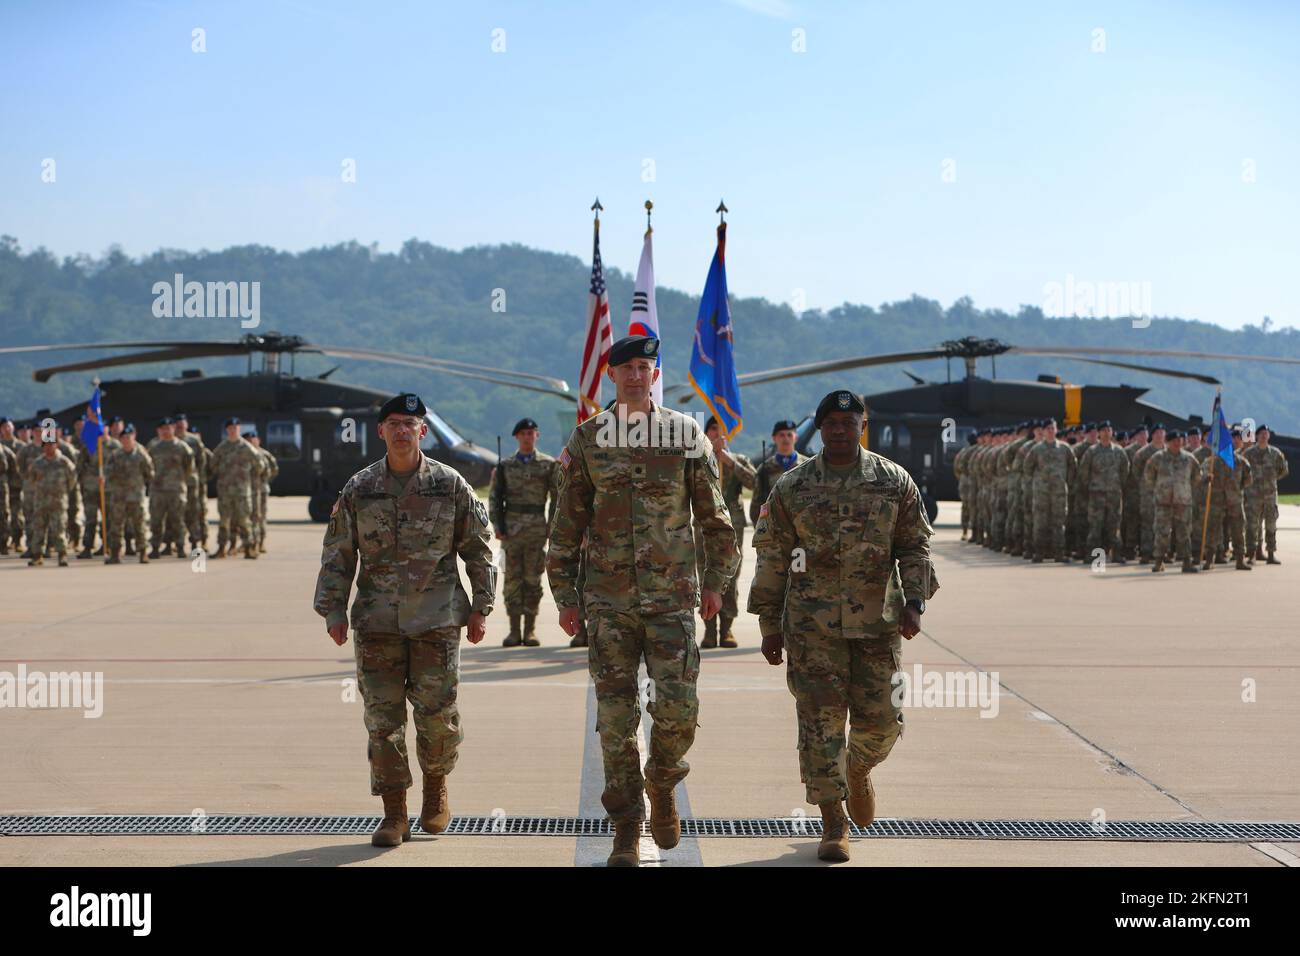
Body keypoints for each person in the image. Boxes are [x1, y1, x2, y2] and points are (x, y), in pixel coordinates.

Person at [546, 335, 739, 867]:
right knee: (615, 720)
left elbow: (717, 521)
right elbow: (566, 526)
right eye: (626, 367)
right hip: (607, 605)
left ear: (657, 373)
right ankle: (627, 826)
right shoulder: (588, 439)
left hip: (673, 600)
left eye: (644, 366)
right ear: (612, 376)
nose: (635, 375)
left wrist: (717, 583)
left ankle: (662, 783)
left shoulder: (685, 434)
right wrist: (565, 595)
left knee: (678, 711)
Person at [749, 389, 938, 863]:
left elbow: (915, 545)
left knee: (883, 723)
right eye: (830, 422)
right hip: (812, 631)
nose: (838, 429)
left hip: (878, 625)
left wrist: (915, 601)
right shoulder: (792, 487)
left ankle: (857, 770)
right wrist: (769, 624)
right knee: (820, 725)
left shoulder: (894, 481)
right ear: (821, 427)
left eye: (847, 421)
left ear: (862, 425)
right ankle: (834, 821)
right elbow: (772, 556)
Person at [314, 393, 496, 849]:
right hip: (377, 623)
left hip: (437, 621)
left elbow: (477, 547)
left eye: (409, 423)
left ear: (423, 431)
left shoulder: (449, 485)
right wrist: (333, 608)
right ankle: (394, 813)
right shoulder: (359, 488)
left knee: (437, 716)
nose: (401, 430)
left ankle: (435, 790)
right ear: (381, 431)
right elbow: (338, 552)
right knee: (383, 721)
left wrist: (481, 606)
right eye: (393, 423)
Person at [489, 417, 560, 647]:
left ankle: (529, 631)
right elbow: (495, 498)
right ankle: (513, 631)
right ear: (517, 437)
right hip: (512, 530)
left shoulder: (548, 465)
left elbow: (556, 497)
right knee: (512, 581)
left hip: (536, 530)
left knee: (532, 580)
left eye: (531, 433)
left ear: (537, 436)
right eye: (523, 434)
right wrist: (497, 526)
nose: (528, 437)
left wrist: (552, 525)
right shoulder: (505, 466)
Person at [696, 415, 755, 648]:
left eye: (720, 430)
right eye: (712, 429)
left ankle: (727, 629)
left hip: (732, 528)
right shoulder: (697, 459)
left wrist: (730, 462)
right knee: (705, 577)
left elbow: (754, 483)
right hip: (703, 528)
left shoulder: (738, 459)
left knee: (730, 577)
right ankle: (709, 630)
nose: (716, 435)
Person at [1144, 430, 1199, 573]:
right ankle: (1158, 561)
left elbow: (1196, 477)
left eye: (1179, 439)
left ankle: (1187, 562)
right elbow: (1148, 475)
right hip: (1164, 502)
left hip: (1183, 502)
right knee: (1161, 533)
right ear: (1167, 442)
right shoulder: (1158, 458)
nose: (1177, 442)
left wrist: (1185, 490)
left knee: (1184, 533)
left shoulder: (1189, 459)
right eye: (1174, 440)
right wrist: (1159, 489)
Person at [1023, 419, 1076, 562]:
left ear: (1056, 430)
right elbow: (1027, 468)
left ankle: (1059, 553)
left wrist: (1066, 482)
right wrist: (1036, 483)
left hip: (1059, 492)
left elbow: (1072, 466)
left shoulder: (1065, 448)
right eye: (1048, 429)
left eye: (1053, 428)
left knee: (1058, 523)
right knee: (1040, 522)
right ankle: (1039, 553)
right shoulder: (1037, 449)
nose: (1051, 431)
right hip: (1042, 492)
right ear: (1044, 431)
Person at [1077, 421, 1129, 564]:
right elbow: (1083, 472)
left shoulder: (1119, 451)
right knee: (1095, 526)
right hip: (1096, 494)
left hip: (1114, 494)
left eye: (1109, 430)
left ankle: (1116, 555)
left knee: (1114, 526)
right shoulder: (1092, 452)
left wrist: (1117, 486)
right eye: (1103, 430)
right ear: (1099, 433)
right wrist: (1092, 487)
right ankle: (1094, 556)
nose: (1106, 433)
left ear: (1112, 432)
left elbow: (1125, 472)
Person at [24, 433, 77, 567]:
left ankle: (62, 555)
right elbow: (31, 480)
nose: (48, 447)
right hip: (40, 502)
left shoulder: (64, 462)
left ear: (56, 445)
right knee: (39, 529)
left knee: (59, 529)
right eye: (46, 445)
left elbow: (72, 480)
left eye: (51, 444)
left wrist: (61, 492)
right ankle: (37, 556)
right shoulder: (38, 463)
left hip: (58, 502)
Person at [103, 424, 154, 564]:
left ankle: (143, 552)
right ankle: (115, 554)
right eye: (123, 437)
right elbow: (108, 473)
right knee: (116, 525)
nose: (126, 440)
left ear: (133, 437)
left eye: (128, 437)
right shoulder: (115, 455)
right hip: (119, 496)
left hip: (136, 496)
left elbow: (149, 473)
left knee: (139, 525)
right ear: (120, 440)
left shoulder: (141, 454)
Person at [210, 418, 261, 558]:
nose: (233, 430)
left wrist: (248, 477)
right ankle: (222, 548)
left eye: (236, 428)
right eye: (231, 428)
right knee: (224, 520)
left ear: (239, 429)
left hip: (242, 492)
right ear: (227, 430)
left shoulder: (246, 447)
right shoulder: (222, 447)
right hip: (225, 492)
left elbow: (259, 465)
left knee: (244, 520)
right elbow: (212, 465)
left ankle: (249, 548)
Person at [1241, 424, 1288, 565]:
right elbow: (1242, 471)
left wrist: (1271, 480)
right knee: (1252, 526)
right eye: (1261, 433)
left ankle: (1271, 554)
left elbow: (1283, 470)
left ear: (1268, 436)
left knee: (1271, 525)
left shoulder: (1276, 453)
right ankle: (1251, 555)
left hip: (1270, 495)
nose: (1263, 435)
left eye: (1265, 433)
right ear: (1256, 436)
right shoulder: (1248, 453)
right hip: (1253, 496)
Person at [148, 418, 193, 560]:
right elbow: (147, 467)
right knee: (156, 520)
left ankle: (180, 547)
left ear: (173, 428)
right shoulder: (154, 448)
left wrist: (179, 481)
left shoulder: (182, 447)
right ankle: (155, 547)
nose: (166, 431)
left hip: (176, 490)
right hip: (158, 491)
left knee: (177, 520)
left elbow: (189, 468)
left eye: (169, 427)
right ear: (159, 430)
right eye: (163, 428)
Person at [750, 419, 808, 526]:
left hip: (802, 528)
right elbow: (756, 505)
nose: (786, 439)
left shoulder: (807, 466)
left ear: (796, 438)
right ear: (774, 438)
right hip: (774, 529)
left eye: (789, 435)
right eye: (781, 435)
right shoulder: (765, 469)